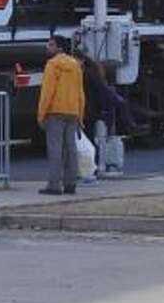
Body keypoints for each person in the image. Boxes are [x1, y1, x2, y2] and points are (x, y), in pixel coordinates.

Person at [37, 36, 86, 195]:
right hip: (72, 111)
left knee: (55, 150)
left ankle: (54, 185)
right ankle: (71, 184)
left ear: (59, 48)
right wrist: (80, 115)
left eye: (51, 45)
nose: (47, 47)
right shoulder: (76, 66)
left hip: (55, 111)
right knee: (71, 149)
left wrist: (41, 115)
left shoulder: (52, 65)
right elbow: (80, 93)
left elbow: (47, 92)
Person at [80, 55, 145, 134]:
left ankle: (126, 127)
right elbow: (105, 90)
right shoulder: (93, 73)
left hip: (89, 110)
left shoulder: (87, 73)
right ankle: (129, 127)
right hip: (93, 110)